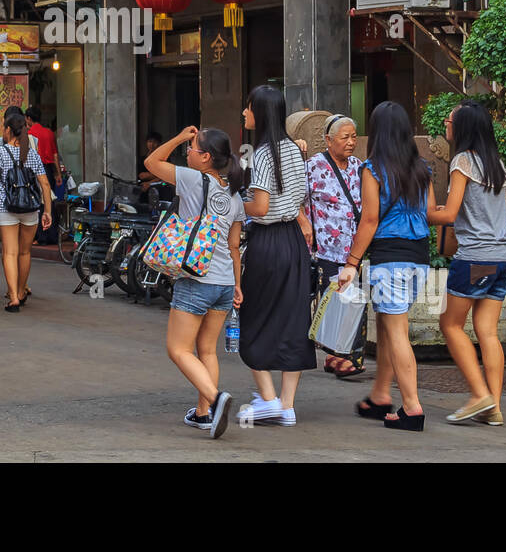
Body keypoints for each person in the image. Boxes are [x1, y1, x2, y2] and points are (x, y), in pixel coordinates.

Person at [143, 126, 246, 439]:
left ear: (205, 157)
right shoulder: (233, 194)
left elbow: (151, 163)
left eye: (191, 147)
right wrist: (238, 285)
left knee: (178, 349)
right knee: (207, 351)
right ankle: (202, 414)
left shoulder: (191, 179)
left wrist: (174, 138)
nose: (186, 151)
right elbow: (234, 246)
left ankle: (215, 400)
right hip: (225, 283)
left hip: (196, 279)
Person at [338, 100, 434, 432]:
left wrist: (352, 262)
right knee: (387, 325)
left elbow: (369, 220)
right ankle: (380, 395)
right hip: (419, 258)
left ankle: (412, 408)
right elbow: (430, 212)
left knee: (396, 332)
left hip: (389, 258)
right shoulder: (422, 168)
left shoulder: (373, 169)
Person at [427, 101, 506, 426]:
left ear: (461, 128)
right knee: (487, 331)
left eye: (449, 120)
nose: (446, 125)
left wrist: (420, 212)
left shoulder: (462, 161)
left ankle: (479, 395)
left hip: (475, 256)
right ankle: (494, 408)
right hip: (503, 257)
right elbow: (502, 216)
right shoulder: (498, 164)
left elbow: (448, 215)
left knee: (449, 325)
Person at [236, 84, 317, 427]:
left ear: (261, 112)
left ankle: (268, 399)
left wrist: (235, 204)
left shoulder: (264, 154)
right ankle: (287, 405)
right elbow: (300, 200)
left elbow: (262, 206)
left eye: (248, 107)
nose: (244, 113)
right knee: (293, 318)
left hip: (268, 243)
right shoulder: (294, 150)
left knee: (252, 316)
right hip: (293, 243)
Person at [307, 114, 366, 378]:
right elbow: (298, 199)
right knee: (332, 301)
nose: (351, 142)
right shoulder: (314, 166)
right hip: (328, 247)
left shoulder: (358, 166)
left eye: (354, 136)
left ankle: (351, 357)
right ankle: (334, 353)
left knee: (354, 302)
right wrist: (306, 228)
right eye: (345, 137)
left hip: (354, 248)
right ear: (328, 140)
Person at [0, 110, 51, 312]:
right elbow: (45, 184)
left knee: (10, 253)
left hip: (7, 208)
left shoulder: (1, 152)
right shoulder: (32, 153)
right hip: (31, 208)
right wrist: (48, 211)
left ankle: (13, 297)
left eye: (4, 128)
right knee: (25, 252)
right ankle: (21, 290)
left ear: (9, 130)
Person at [25, 105, 63, 193]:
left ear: (29, 118)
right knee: (49, 196)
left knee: (36, 198)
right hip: (48, 170)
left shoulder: (28, 134)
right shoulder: (49, 133)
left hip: (33, 171)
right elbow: (55, 155)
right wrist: (58, 174)